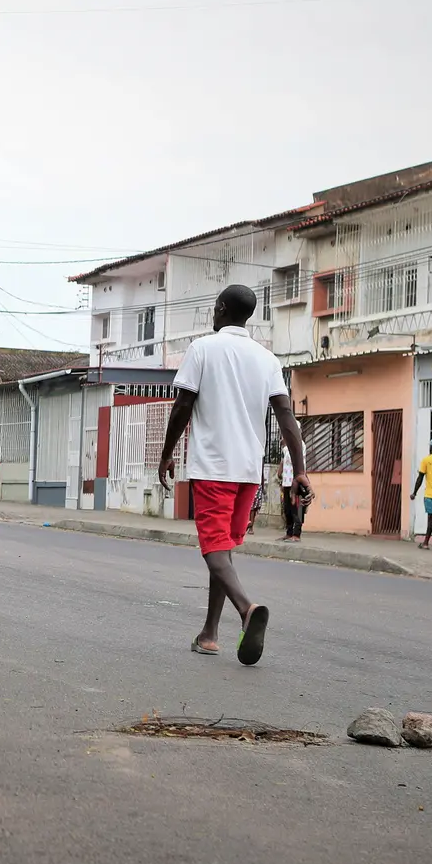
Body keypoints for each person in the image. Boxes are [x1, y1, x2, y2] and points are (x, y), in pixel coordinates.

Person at [158, 285, 310, 666]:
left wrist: (166, 454)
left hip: (213, 467)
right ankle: (209, 634)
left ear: (222, 309)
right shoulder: (267, 359)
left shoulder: (203, 349)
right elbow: (286, 417)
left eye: (214, 308)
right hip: (248, 473)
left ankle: (246, 608)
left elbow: (183, 405)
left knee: (213, 550)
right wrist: (301, 470)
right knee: (222, 552)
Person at [278, 452, 305, 541]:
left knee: (295, 509)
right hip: (286, 483)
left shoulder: (299, 444)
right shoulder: (285, 449)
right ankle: (289, 533)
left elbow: (300, 464)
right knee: (287, 509)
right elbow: (283, 464)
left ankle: (297, 534)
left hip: (295, 483)